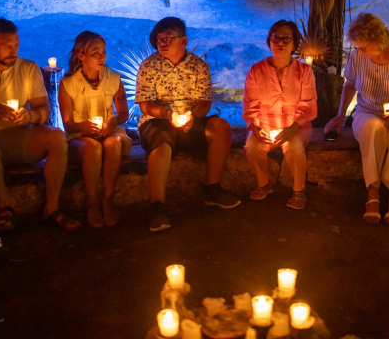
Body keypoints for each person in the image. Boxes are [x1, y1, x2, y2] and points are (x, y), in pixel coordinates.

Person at [0, 18, 80, 231]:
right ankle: (5, 206)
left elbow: (43, 110)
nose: (13, 51)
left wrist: (28, 117)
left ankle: (52, 207)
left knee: (56, 136)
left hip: (21, 137)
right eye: (7, 46)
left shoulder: (28, 68)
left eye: (16, 45)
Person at [136, 17, 241, 232]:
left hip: (190, 120)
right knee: (162, 142)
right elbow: (145, 105)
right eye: (159, 39)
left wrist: (192, 117)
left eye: (168, 39)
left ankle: (212, 189)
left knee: (220, 127)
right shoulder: (149, 66)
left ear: (183, 41)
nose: (162, 44)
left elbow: (204, 101)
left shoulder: (198, 66)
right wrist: (166, 112)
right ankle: (157, 206)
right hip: (158, 121)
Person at [324, 13, 389, 225]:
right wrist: (341, 115)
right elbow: (350, 84)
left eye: (364, 47)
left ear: (378, 41)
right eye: (358, 48)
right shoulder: (358, 57)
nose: (360, 52)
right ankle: (373, 191)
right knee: (372, 126)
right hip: (367, 111)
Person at [58, 31, 131, 228]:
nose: (102, 57)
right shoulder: (67, 84)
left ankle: (108, 199)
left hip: (110, 131)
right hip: (80, 137)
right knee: (93, 148)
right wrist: (83, 127)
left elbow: (124, 113)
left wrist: (112, 122)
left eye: (103, 52)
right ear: (81, 56)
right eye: (95, 53)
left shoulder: (114, 79)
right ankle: (92, 201)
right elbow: (67, 124)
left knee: (113, 143)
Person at [243, 20, 317, 210]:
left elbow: (309, 105)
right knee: (252, 145)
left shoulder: (304, 71)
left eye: (286, 38)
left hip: (296, 127)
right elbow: (250, 104)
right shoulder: (256, 71)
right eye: (276, 38)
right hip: (266, 127)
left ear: (294, 43)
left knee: (292, 146)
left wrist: (294, 127)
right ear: (269, 41)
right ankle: (264, 184)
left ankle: (299, 190)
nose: (281, 43)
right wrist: (255, 126)